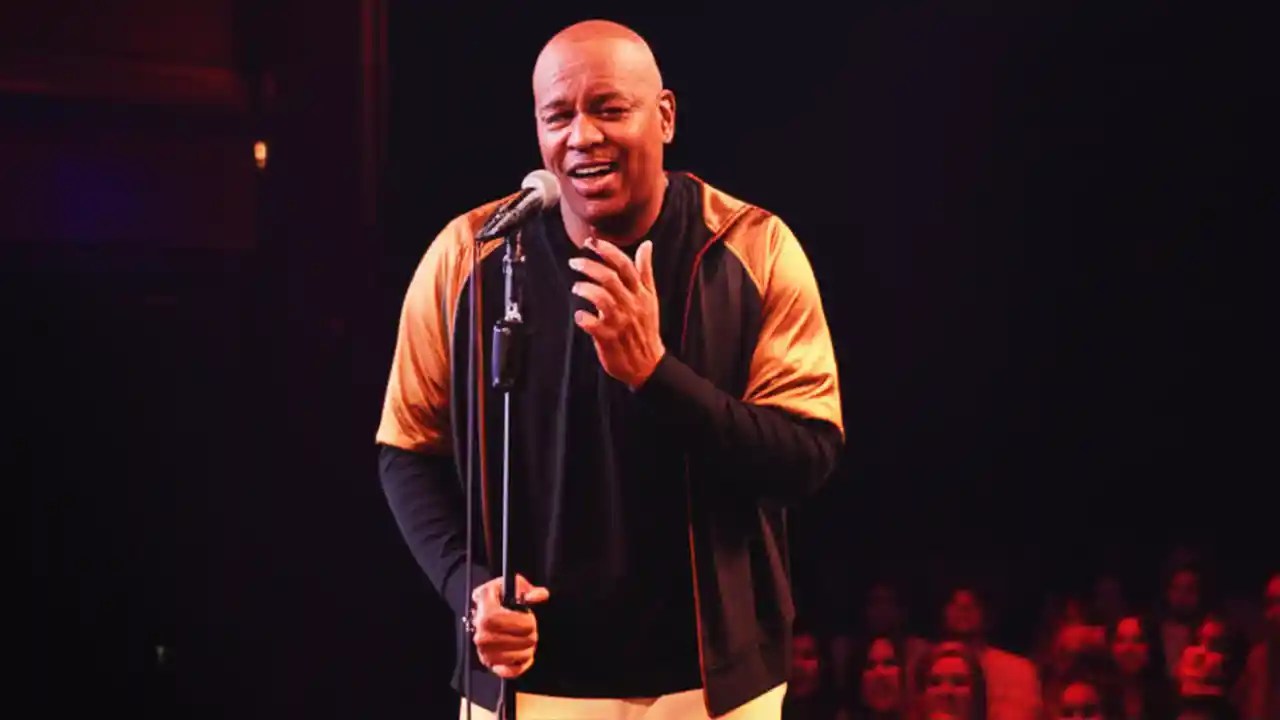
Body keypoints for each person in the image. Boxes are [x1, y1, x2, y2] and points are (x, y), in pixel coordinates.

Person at [374, 18, 844, 720]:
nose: (582, 136)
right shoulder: (468, 256)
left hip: (711, 691)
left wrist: (654, 374)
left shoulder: (753, 246)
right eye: (557, 115)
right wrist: (468, 586)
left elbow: (806, 458)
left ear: (665, 117)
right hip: (526, 685)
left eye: (609, 109)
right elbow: (407, 453)